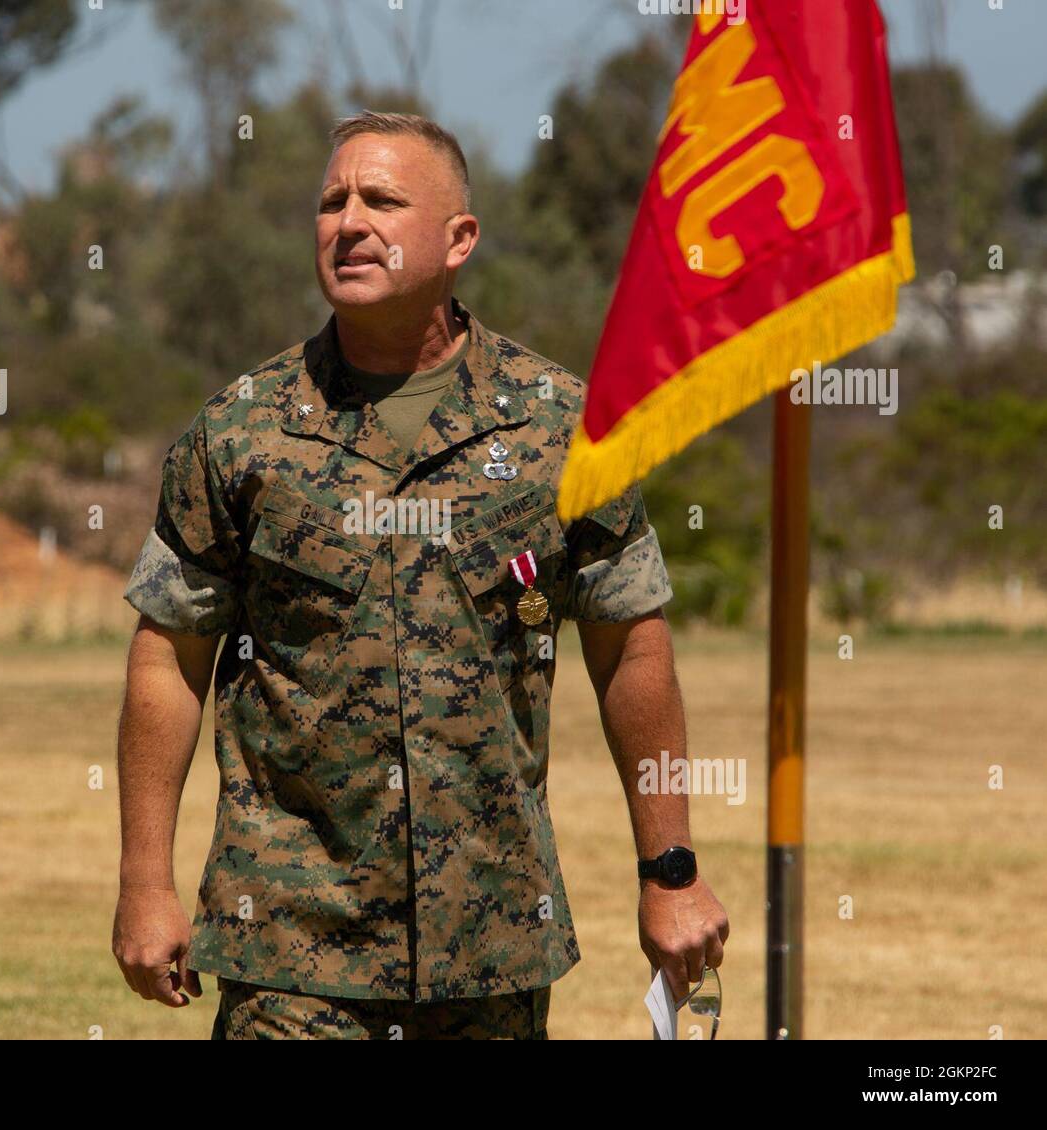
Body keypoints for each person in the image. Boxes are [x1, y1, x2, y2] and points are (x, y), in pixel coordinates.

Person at [112, 110, 728, 1039]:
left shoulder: (560, 428)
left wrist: (670, 871)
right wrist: (144, 883)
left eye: (382, 200)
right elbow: (168, 659)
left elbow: (631, 652)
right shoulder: (240, 434)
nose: (348, 222)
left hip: (491, 945)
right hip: (290, 947)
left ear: (459, 239)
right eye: (331, 202)